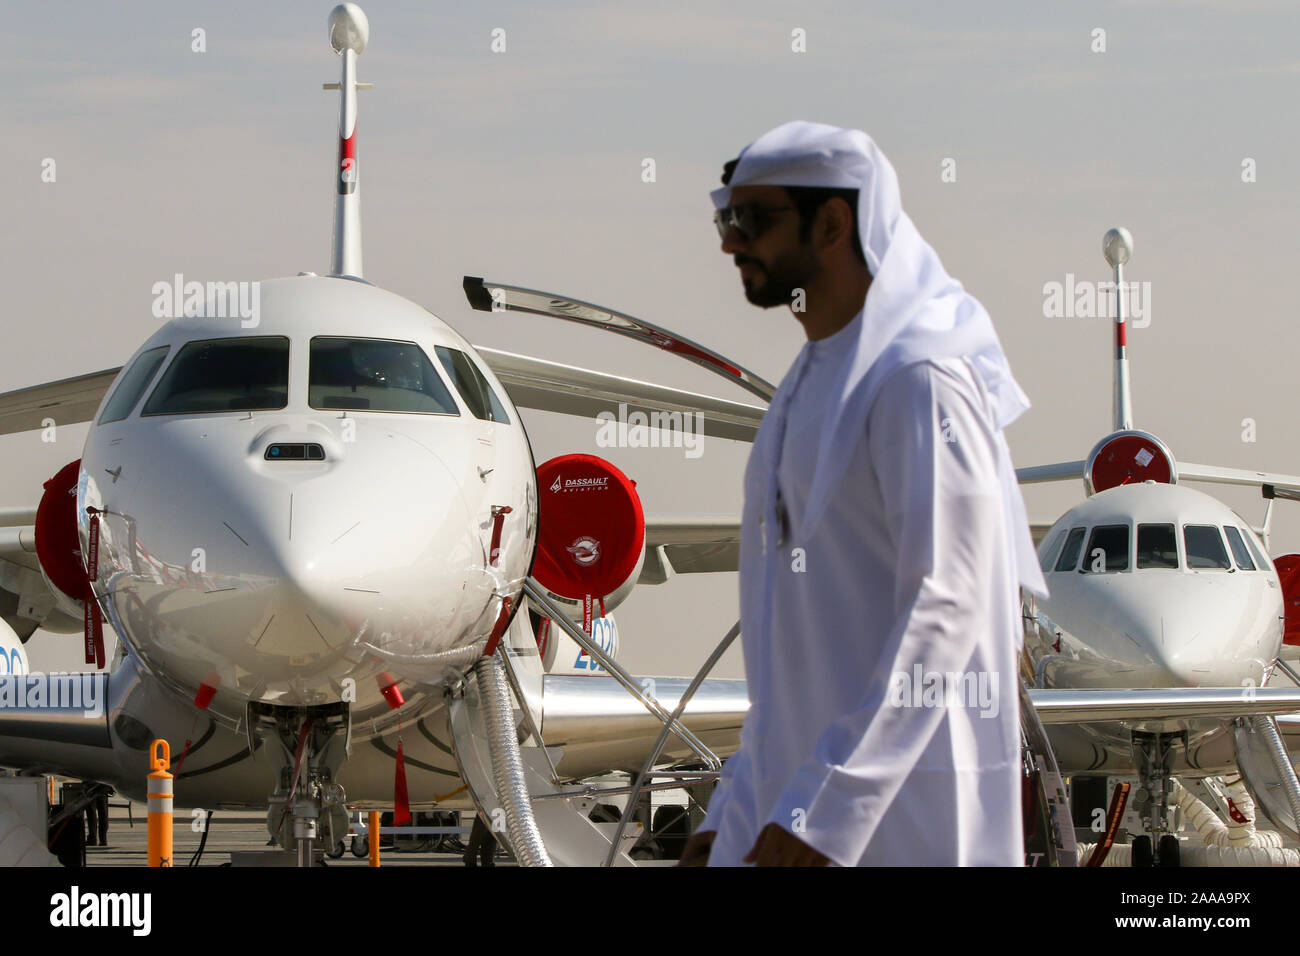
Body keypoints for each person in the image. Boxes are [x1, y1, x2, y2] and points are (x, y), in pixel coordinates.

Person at [678, 122, 1047, 867]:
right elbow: (792, 659)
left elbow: (946, 607)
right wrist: (733, 813)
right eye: (725, 217)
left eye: (751, 219)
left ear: (834, 221)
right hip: (794, 826)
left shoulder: (920, 381)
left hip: (903, 829)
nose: (729, 242)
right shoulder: (806, 387)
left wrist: (826, 814)